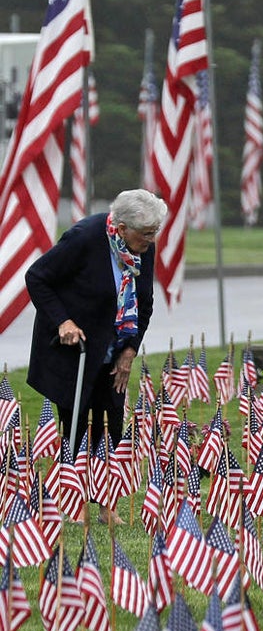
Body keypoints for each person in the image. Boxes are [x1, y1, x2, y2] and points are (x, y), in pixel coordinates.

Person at [26, 189, 166, 456]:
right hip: (76, 354)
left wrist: (129, 350)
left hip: (112, 356)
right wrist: (63, 321)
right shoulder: (84, 238)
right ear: (122, 228)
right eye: (147, 232)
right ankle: (73, 494)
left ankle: (104, 495)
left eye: (154, 231)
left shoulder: (143, 247)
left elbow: (144, 303)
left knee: (111, 434)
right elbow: (37, 277)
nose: (152, 238)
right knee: (77, 435)